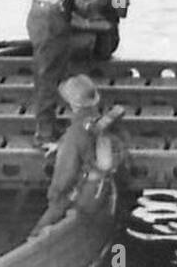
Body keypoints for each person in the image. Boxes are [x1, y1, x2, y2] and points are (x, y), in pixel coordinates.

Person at [25, 0, 97, 148]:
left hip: (56, 18)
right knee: (47, 77)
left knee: (55, 74)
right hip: (47, 21)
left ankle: (50, 123)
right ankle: (44, 133)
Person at [29, 75, 126, 237]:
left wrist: (54, 198)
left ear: (73, 105)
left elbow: (63, 179)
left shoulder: (74, 135)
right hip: (103, 190)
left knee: (36, 234)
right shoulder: (100, 124)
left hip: (83, 199)